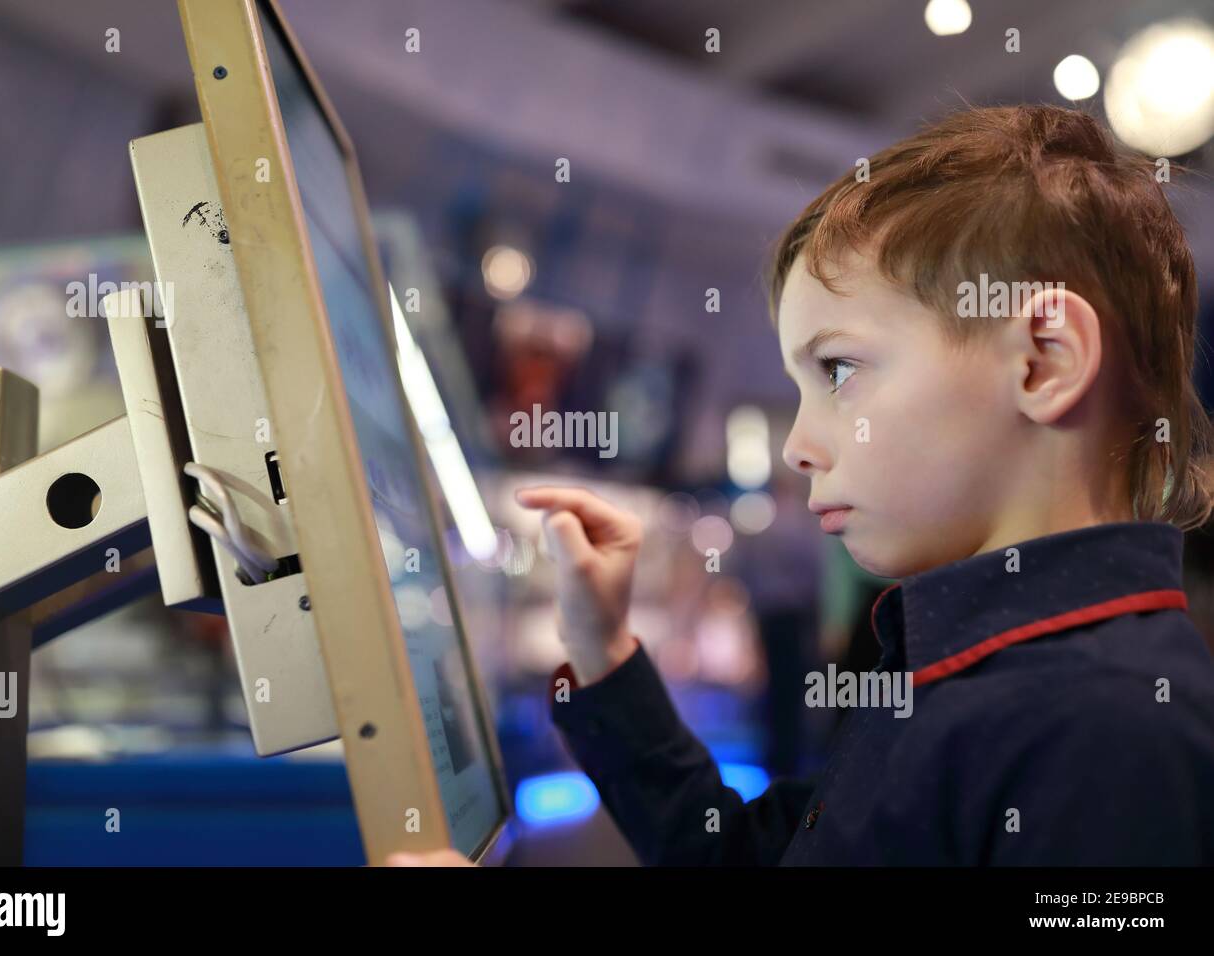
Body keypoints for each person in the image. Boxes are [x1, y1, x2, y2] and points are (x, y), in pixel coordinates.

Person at [386, 104, 1214, 866]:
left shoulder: (1114, 733)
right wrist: (603, 652)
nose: (797, 448)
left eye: (840, 368)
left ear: (1043, 361)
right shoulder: (968, 673)